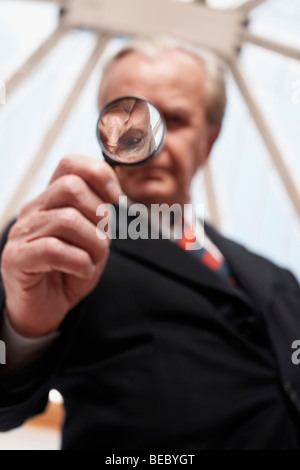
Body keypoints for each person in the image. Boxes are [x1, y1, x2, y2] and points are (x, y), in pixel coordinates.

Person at [0, 36, 300, 450]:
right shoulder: (53, 242)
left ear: (209, 140)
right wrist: (22, 330)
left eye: (174, 120)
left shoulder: (277, 278)